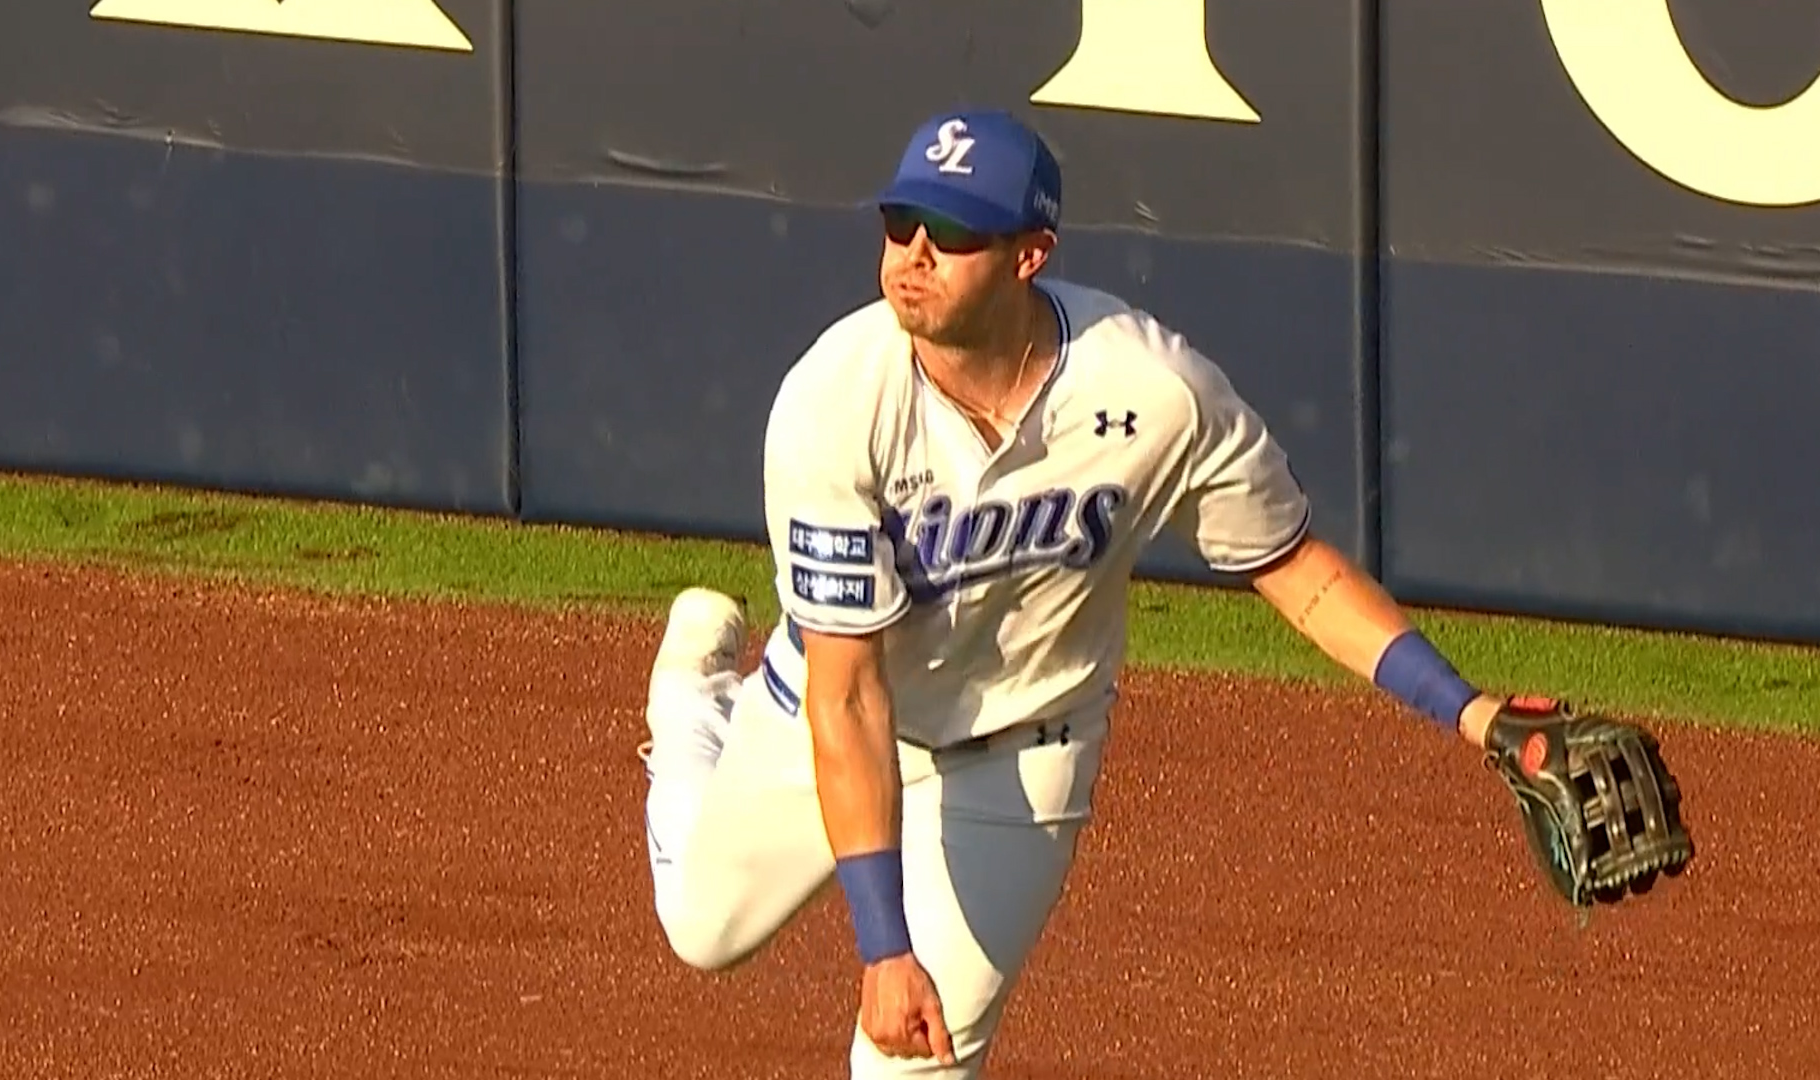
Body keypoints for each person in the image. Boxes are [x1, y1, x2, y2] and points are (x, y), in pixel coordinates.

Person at [636, 107, 1510, 1078]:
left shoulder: (1156, 393)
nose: (914, 254)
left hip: (1021, 754)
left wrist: (1473, 713)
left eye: (953, 232)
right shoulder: (834, 400)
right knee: (702, 930)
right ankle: (695, 705)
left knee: (912, 1065)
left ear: (1029, 255)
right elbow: (848, 696)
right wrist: (883, 947)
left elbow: (1296, 572)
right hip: (837, 708)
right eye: (900, 222)